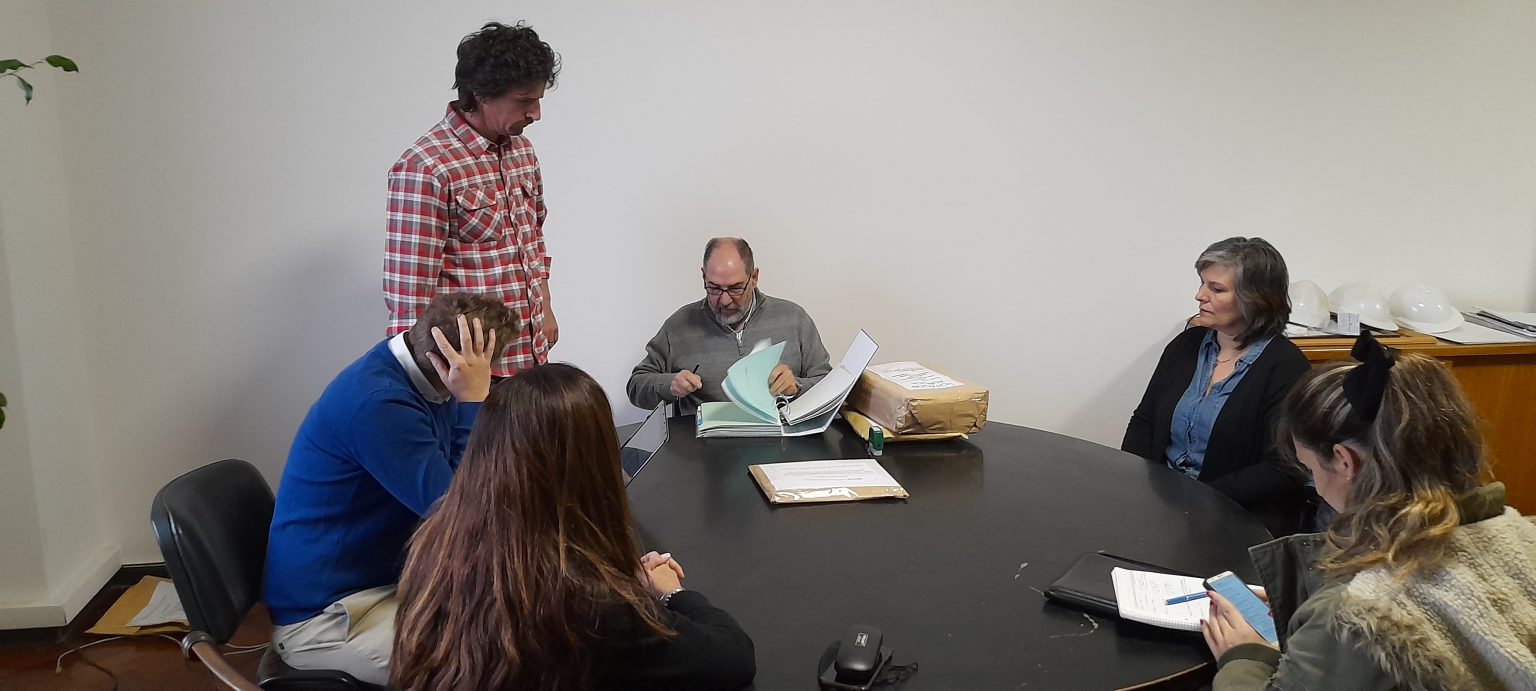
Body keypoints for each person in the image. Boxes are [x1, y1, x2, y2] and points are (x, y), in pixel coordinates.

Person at [391, 364, 757, 690]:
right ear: (595, 461)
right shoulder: (586, 600)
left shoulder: (436, 543)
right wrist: (669, 593)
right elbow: (732, 660)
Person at [1202, 333, 1536, 690]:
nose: (1314, 485)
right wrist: (1305, 593)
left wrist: (1246, 657)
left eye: (1311, 469)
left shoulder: (1357, 618)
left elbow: (1353, 624)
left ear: (1345, 461)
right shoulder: (1521, 535)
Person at [263, 293, 515, 685]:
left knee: (520, 624)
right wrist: (474, 402)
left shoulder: (417, 374)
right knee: (487, 666)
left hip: (383, 582)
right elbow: (457, 512)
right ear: (454, 365)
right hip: (327, 616)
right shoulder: (380, 404)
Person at [385, 21, 560, 378]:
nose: (536, 114)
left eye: (538, 100)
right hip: (471, 374)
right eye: (525, 101)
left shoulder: (522, 151)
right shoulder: (424, 167)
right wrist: (427, 386)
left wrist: (546, 308)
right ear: (481, 94)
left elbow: (533, 240)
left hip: (529, 357)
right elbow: (409, 299)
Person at [1121, 237, 1312, 535]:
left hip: (1234, 519)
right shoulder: (1186, 345)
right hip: (1164, 509)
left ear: (1255, 298)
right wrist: (1133, 485)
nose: (1199, 295)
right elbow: (1144, 421)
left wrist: (1197, 500)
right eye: (1202, 284)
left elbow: (1282, 468)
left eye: (1216, 289)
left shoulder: (1286, 367)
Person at [627, 237, 832, 414]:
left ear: (754, 278)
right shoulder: (679, 325)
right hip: (704, 452)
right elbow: (636, 387)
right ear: (703, 276)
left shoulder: (794, 318)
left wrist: (796, 387)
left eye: (735, 289)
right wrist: (669, 385)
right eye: (714, 288)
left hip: (782, 445)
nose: (724, 300)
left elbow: (830, 385)